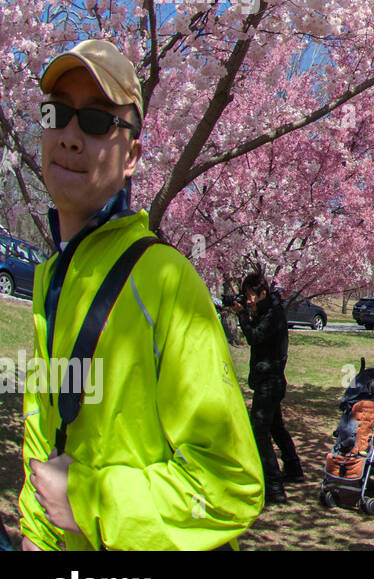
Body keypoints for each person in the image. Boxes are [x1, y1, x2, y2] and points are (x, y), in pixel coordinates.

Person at [20, 39, 262, 550]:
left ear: (132, 154)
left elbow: (229, 485)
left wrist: (90, 500)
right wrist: (37, 535)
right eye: (56, 114)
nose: (68, 137)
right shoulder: (49, 280)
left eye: (96, 122)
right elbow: (45, 438)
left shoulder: (166, 281)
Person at [234, 272, 303, 504]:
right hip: (269, 380)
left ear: (262, 292)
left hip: (270, 381)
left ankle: (274, 486)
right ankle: (293, 468)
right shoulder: (269, 309)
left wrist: (243, 315)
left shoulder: (273, 314)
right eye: (245, 296)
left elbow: (254, 336)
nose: (249, 300)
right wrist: (248, 312)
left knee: (259, 430)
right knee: (275, 426)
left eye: (250, 295)